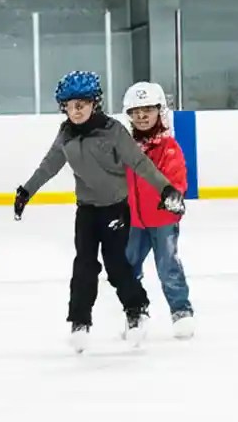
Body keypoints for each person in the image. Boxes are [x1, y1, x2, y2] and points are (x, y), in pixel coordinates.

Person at [13, 71, 186, 352]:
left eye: (82, 103)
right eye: (70, 104)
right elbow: (49, 165)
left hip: (117, 208)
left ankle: (136, 309)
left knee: (117, 265)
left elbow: (140, 163)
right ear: (63, 107)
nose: (76, 109)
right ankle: (79, 321)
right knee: (84, 266)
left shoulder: (112, 130)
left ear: (95, 103)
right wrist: (26, 191)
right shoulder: (66, 134)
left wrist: (166, 189)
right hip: (87, 210)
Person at [121, 81, 195, 340]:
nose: (142, 116)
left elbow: (177, 178)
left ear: (159, 112)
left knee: (168, 266)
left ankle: (181, 311)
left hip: (163, 219)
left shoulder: (168, 147)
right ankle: (135, 312)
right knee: (127, 268)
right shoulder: (126, 148)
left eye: (148, 110)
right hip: (134, 221)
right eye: (136, 112)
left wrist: (174, 196)